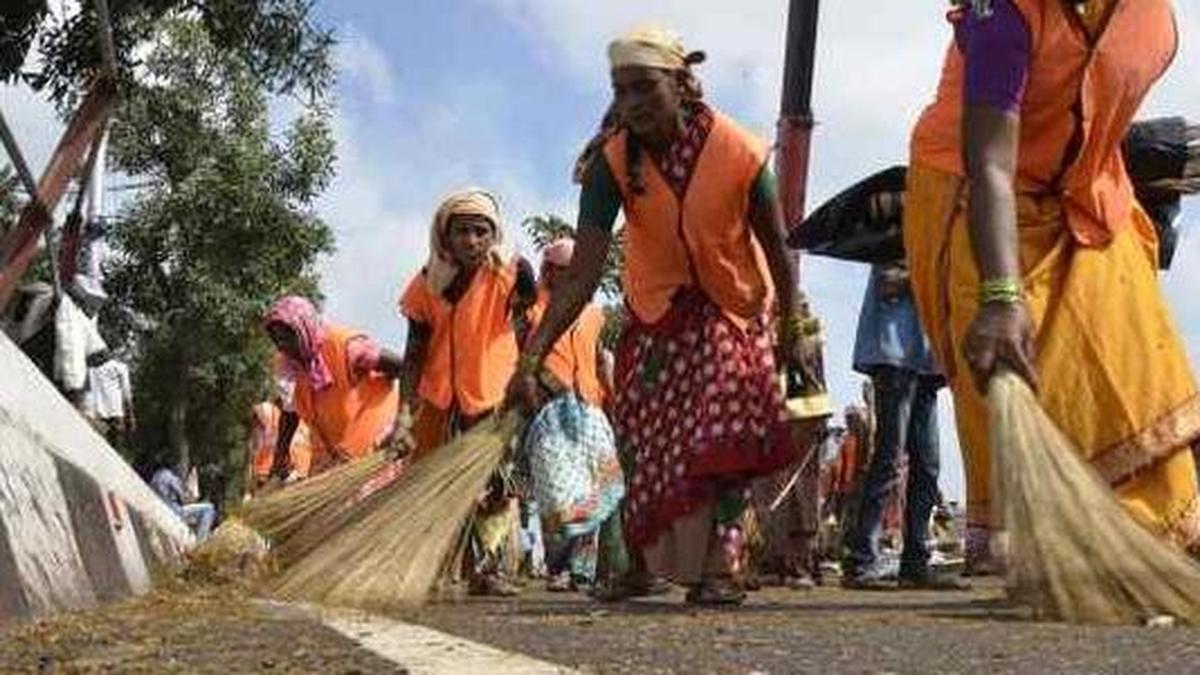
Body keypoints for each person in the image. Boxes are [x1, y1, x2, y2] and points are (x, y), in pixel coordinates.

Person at [507, 26, 827, 606]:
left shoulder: (738, 150)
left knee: (726, 430)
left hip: (733, 309)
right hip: (657, 313)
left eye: (644, 88)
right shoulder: (611, 164)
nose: (631, 104)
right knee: (639, 440)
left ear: (681, 85)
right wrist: (529, 359)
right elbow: (582, 274)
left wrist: (791, 330)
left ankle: (723, 565)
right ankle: (638, 566)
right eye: (620, 90)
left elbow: (778, 249)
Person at [904, 0, 1200, 563]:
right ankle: (1075, 541)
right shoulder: (1003, 14)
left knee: (1143, 363)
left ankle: (1155, 532)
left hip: (1089, 190)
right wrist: (1000, 297)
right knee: (1039, 369)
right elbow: (990, 164)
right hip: (980, 192)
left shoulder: (1155, 23)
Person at [398, 188, 537, 597]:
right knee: (435, 487)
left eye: (481, 231)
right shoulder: (426, 284)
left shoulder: (506, 275)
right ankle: (437, 569)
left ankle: (485, 570)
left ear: (494, 235)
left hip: (492, 398)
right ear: (445, 235)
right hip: (439, 400)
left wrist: (526, 374)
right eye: (462, 231)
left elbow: (529, 313)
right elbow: (413, 353)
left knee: (498, 488)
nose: (472, 241)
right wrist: (404, 413)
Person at [842, 262, 964, 589]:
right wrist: (936, 271)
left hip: (925, 360)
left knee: (928, 466)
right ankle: (862, 561)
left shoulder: (931, 242)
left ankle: (915, 562)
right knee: (889, 459)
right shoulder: (896, 239)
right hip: (895, 355)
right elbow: (890, 282)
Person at [519, 239, 625, 592]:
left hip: (591, 409)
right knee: (559, 491)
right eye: (563, 271)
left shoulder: (594, 313)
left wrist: (613, 399)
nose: (571, 278)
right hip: (549, 410)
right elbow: (519, 358)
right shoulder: (531, 309)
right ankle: (559, 567)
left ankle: (584, 569)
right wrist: (535, 395)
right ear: (549, 271)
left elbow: (598, 356)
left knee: (604, 487)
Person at [263, 296, 402, 478]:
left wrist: (403, 419)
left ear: (303, 328)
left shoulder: (346, 348)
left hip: (374, 449)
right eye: (277, 340)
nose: (283, 346)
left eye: (287, 337)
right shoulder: (291, 368)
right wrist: (280, 456)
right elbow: (290, 411)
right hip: (333, 462)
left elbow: (403, 367)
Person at [243, 396, 314, 499]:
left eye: (257, 420)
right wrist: (249, 491)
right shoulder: (261, 441)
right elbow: (255, 466)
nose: (256, 426)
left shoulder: (292, 434)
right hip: (274, 483)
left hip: (297, 480)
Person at [151, 464, 216, 541]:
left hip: (162, 510)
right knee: (208, 509)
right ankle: (201, 541)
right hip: (174, 511)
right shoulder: (170, 477)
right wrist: (193, 486)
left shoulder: (156, 477)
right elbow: (185, 499)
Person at [84, 351, 134, 449]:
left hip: (97, 415)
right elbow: (126, 393)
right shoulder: (120, 368)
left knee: (99, 448)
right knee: (115, 448)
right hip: (116, 415)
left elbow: (87, 394)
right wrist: (131, 416)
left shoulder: (91, 370)